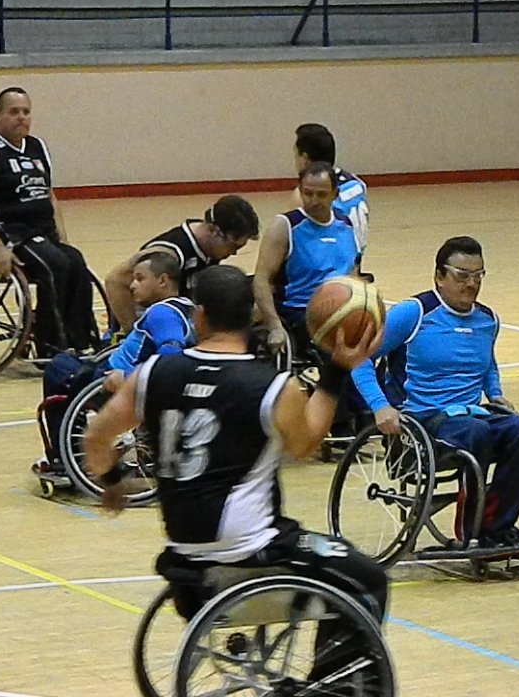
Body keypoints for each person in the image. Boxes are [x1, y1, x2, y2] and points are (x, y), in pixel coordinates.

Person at [83, 265, 388, 647]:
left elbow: (96, 436)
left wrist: (113, 484)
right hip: (251, 551)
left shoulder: (153, 373)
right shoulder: (273, 387)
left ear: (200, 315)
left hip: (185, 557)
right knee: (368, 579)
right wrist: (338, 371)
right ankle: (335, 688)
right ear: (252, 318)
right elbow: (306, 445)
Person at [352, 236, 519, 548]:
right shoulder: (414, 313)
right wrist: (379, 406)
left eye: (478, 276)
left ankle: (497, 526)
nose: (471, 285)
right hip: (422, 422)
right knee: (475, 433)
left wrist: (495, 393)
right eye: (462, 276)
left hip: (471, 415)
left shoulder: (487, 320)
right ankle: (473, 531)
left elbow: (486, 361)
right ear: (439, 276)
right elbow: (359, 357)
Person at [0, 86, 97, 355]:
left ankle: (80, 341)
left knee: (75, 262)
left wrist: (62, 237)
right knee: (55, 265)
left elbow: (50, 197)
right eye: (13, 112)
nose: (21, 117)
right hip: (9, 234)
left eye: (26, 112)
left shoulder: (36, 147)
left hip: (41, 231)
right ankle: (51, 347)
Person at [35, 251, 195, 474]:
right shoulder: (185, 308)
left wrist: (130, 377)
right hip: (117, 375)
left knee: (57, 368)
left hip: (115, 384)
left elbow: (171, 353)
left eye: (140, 278)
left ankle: (66, 456)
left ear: (163, 280)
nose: (131, 286)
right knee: (71, 362)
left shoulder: (162, 313)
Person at [104, 194, 259, 333]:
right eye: (234, 246)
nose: (234, 253)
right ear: (212, 230)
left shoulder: (208, 247)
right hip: (160, 330)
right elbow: (115, 280)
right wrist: (132, 332)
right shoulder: (168, 253)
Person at [254, 161, 361, 356]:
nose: (313, 200)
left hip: (341, 310)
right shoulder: (285, 226)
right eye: (307, 193)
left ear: (335, 195)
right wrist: (275, 326)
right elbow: (261, 279)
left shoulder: (345, 225)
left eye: (321, 194)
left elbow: (353, 273)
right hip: (301, 313)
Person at [291, 123, 370, 264]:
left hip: (327, 267)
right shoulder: (357, 184)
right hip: (355, 261)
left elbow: (296, 242)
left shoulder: (305, 195)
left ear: (304, 159)